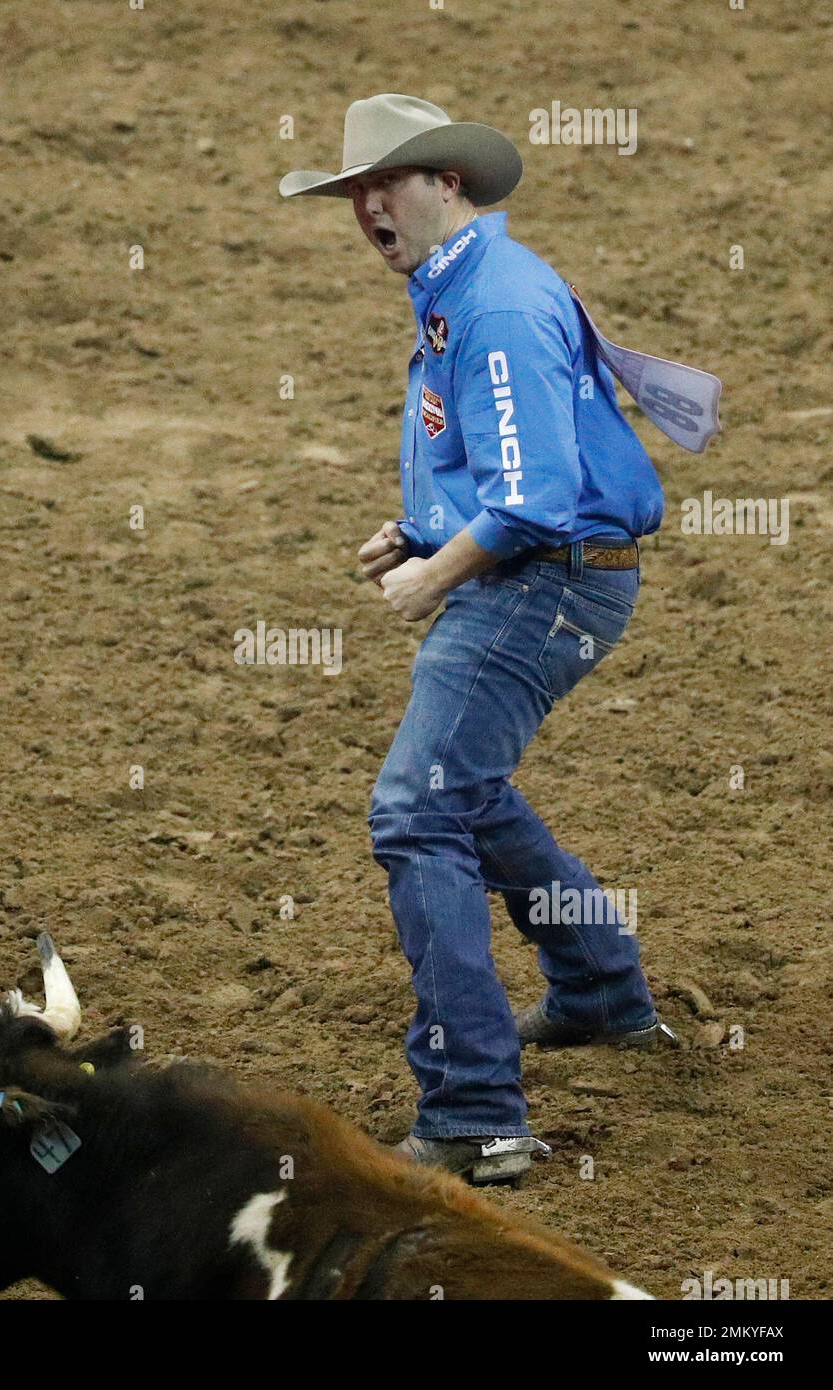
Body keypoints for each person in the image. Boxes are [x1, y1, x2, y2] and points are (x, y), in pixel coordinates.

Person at [280, 94, 676, 1187]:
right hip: (552, 576)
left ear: (446, 185)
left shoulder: (491, 304)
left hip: (538, 582)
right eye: (354, 192)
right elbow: (509, 464)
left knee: (416, 808)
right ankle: (598, 988)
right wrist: (419, 527)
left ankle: (474, 1114)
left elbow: (540, 495)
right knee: (463, 786)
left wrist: (433, 574)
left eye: (386, 185)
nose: (367, 208)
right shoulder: (462, 288)